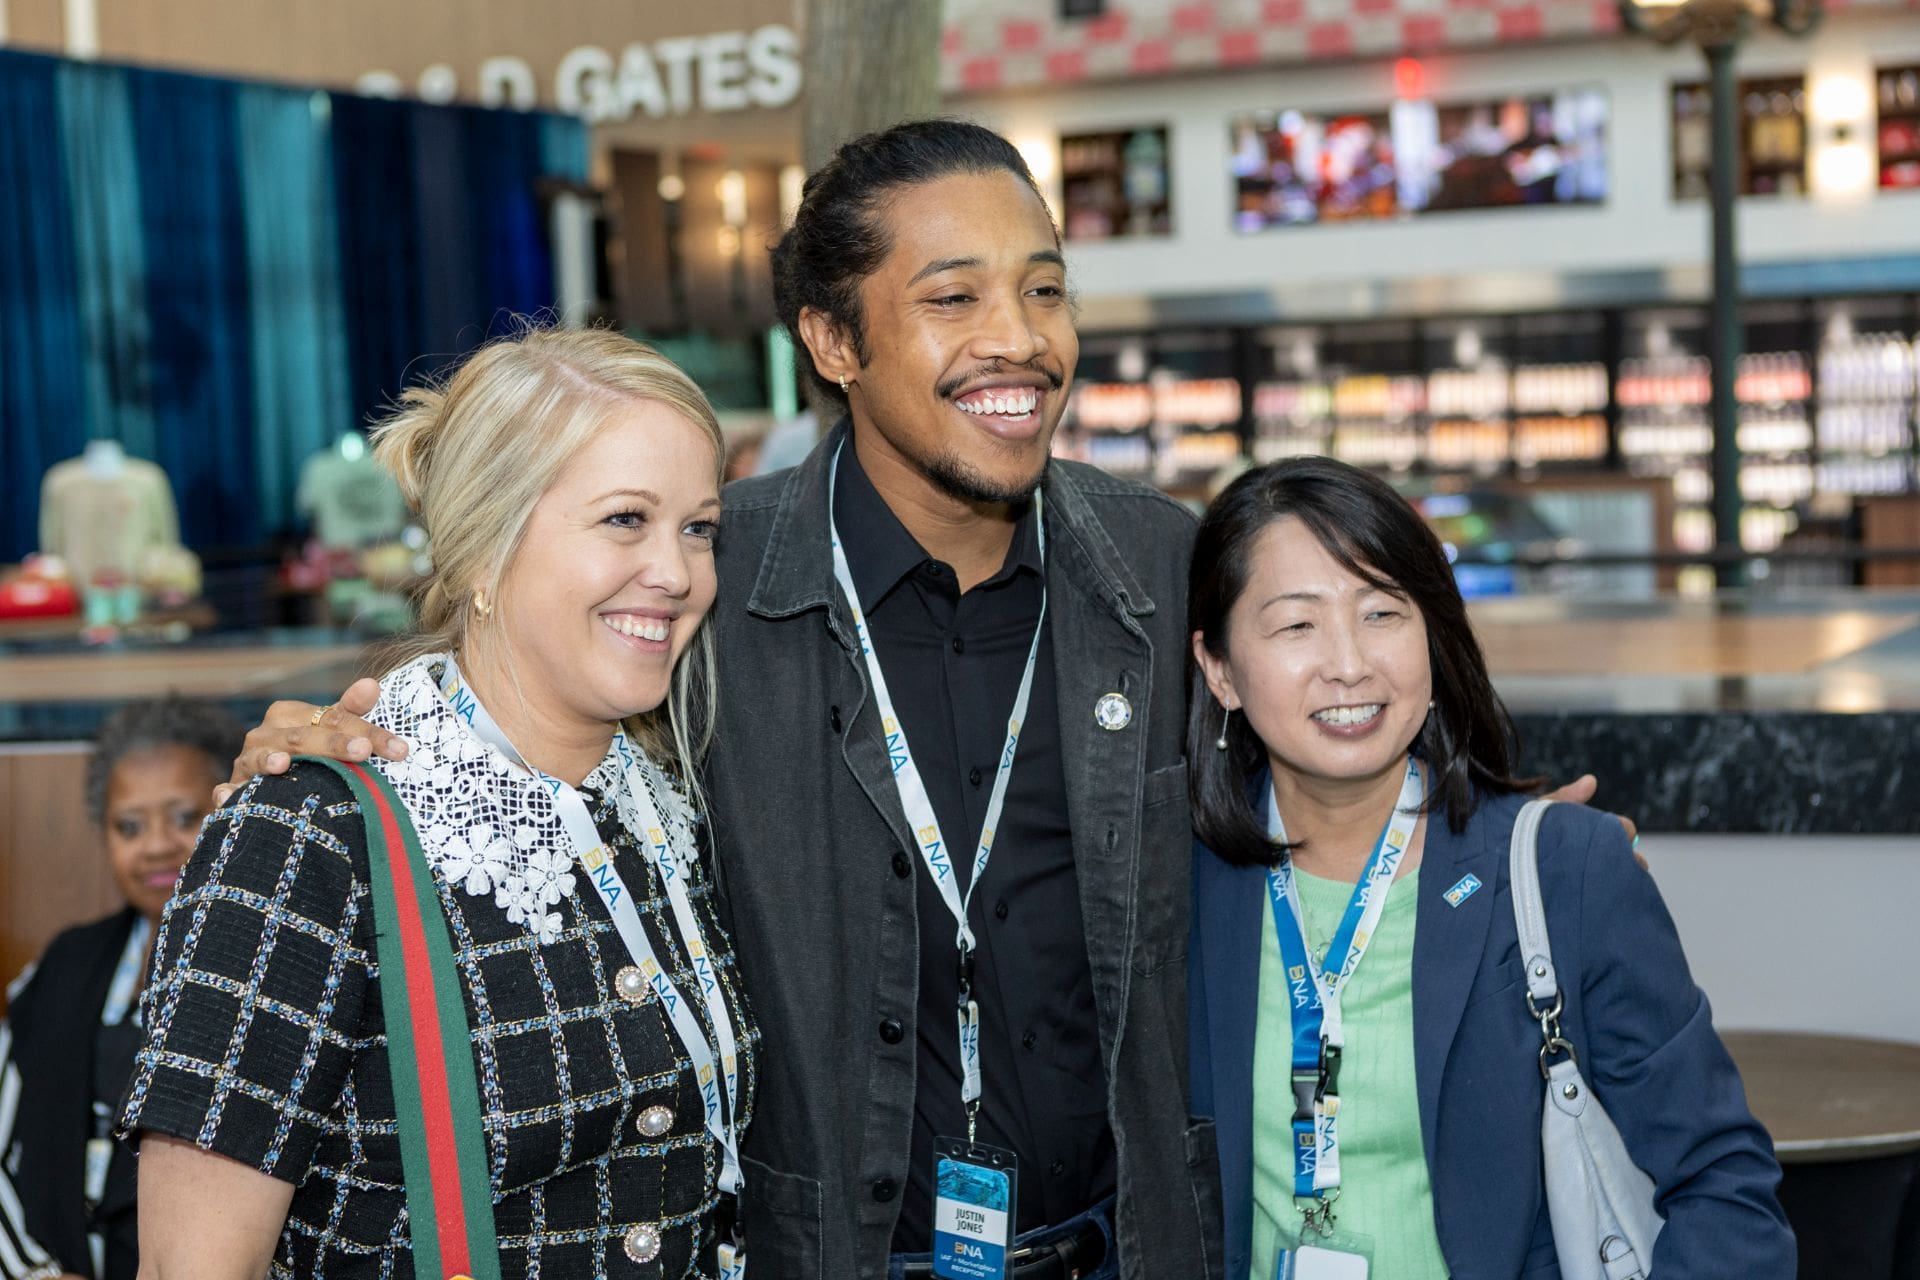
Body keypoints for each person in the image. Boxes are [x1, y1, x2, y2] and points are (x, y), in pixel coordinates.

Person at [215, 119, 1619, 1280]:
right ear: (833, 342)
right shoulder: (710, 582)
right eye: (952, 299)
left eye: (1045, 288)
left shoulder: (1161, 566)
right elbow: (524, 701)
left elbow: (1326, 733)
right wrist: (346, 736)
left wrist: (1490, 836)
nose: (1019, 341)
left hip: (1129, 1246)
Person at [120, 327, 757, 1279]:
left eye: (697, 527)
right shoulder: (305, 830)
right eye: (626, 519)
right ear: (481, 557)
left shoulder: (661, 798)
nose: (675, 572)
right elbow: (192, 1267)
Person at [1184, 457, 1793, 1279]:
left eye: (1382, 613)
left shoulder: (1563, 870)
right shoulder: (1172, 887)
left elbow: (1723, 1185)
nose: (1349, 663)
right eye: (1297, 626)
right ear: (1220, 668)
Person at [0, 696, 240, 1280]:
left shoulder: (263, 967)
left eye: (184, 817)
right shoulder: (63, 963)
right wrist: (34, 1272)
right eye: (129, 826)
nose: (156, 845)